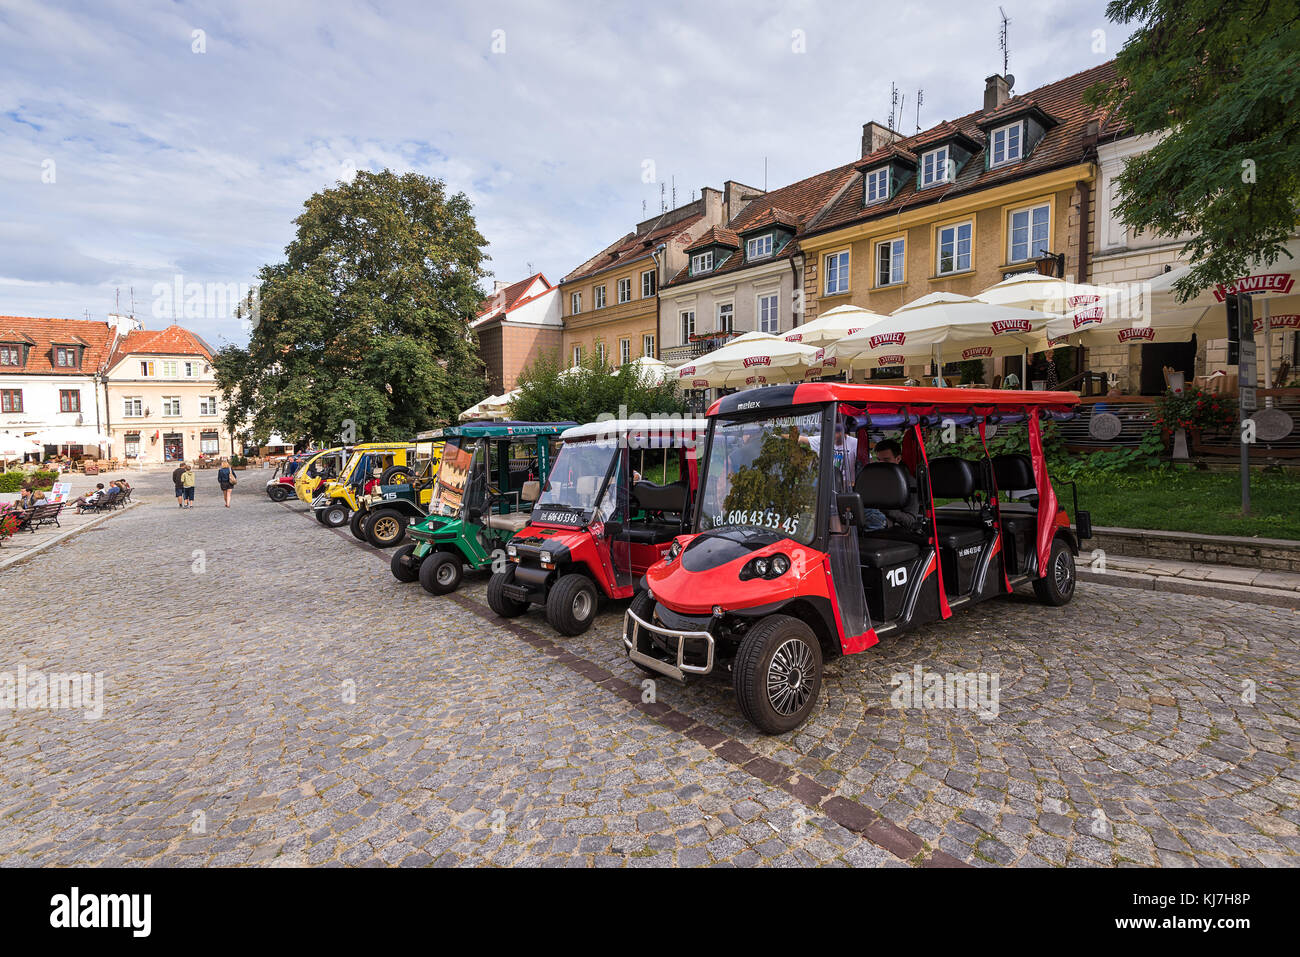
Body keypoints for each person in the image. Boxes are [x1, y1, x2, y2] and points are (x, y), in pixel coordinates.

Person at [873, 439, 922, 532]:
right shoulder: (874, 479)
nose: (882, 464)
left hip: (889, 524)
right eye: (879, 460)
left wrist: (886, 509)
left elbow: (910, 521)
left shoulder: (909, 484)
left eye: (886, 460)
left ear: (898, 459)